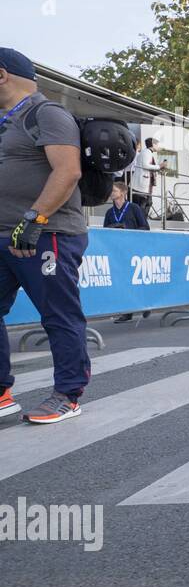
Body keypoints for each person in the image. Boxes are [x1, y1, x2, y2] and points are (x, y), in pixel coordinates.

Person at [0, 47, 92, 425]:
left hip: (46, 233)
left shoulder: (47, 113)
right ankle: (2, 392)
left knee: (58, 314)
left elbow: (67, 171)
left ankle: (68, 394)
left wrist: (33, 219)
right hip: (5, 235)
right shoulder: (6, 122)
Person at [104, 182, 153, 323]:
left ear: (123, 192)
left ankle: (145, 305)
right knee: (123, 281)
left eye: (114, 190)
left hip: (134, 250)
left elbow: (145, 227)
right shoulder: (109, 212)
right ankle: (127, 312)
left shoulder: (134, 208)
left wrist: (129, 232)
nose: (112, 193)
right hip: (118, 251)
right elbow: (105, 232)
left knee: (137, 280)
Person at [128, 137, 161, 214]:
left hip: (145, 186)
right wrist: (159, 166)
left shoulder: (147, 152)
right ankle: (141, 221)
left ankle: (142, 220)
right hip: (141, 186)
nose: (158, 146)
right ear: (153, 144)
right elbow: (146, 165)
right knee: (142, 204)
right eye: (157, 144)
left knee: (147, 203)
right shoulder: (146, 152)